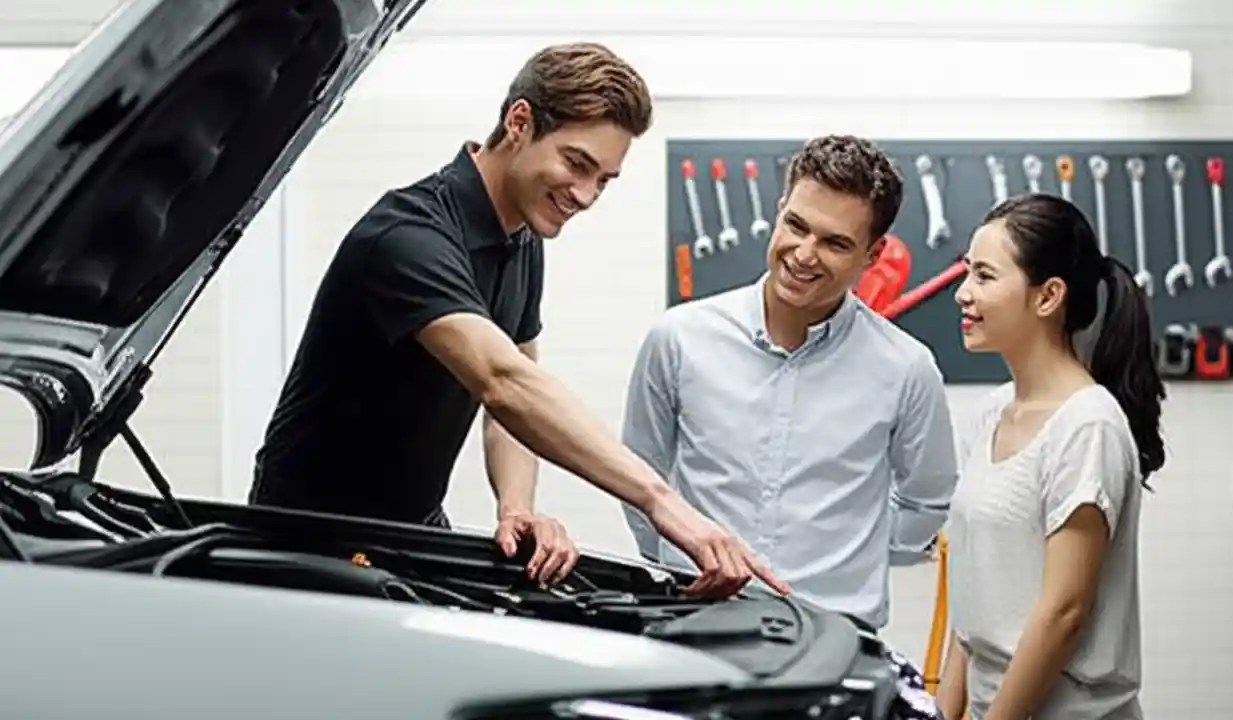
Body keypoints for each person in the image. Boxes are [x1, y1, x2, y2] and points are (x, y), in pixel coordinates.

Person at [249, 42, 790, 600]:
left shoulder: (524, 240)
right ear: (519, 121)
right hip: (309, 540)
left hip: (410, 529)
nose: (586, 195)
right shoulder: (405, 238)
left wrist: (516, 508)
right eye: (577, 163)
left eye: (604, 179)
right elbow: (504, 383)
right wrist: (661, 502)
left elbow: (511, 401)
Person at [619, 134, 959, 628]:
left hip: (838, 637)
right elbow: (638, 475)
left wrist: (846, 553)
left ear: (873, 254)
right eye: (796, 226)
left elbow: (926, 502)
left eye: (835, 243)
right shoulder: (678, 339)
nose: (804, 254)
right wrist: (676, 562)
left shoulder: (906, 369)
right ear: (779, 211)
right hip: (694, 622)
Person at [936, 193, 1166, 720]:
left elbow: (1063, 613)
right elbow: (972, 603)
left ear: (1048, 297)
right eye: (967, 272)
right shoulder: (991, 414)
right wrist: (941, 713)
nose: (963, 293)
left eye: (984, 276)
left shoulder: (1088, 425)